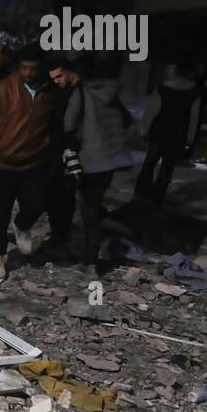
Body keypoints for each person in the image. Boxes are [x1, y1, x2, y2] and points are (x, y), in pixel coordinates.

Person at [0, 44, 56, 279]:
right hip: (1, 163)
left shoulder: (48, 91)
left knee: (37, 202)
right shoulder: (2, 89)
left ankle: (22, 225)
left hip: (34, 161)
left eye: (33, 68)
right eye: (25, 68)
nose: (28, 73)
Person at [64, 57, 134, 274]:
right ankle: (91, 261)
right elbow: (127, 121)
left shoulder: (82, 93)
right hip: (109, 162)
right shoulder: (113, 95)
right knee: (94, 209)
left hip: (88, 162)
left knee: (88, 212)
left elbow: (68, 124)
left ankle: (89, 262)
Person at [135, 63, 201, 204]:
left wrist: (143, 130)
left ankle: (141, 192)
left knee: (150, 162)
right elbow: (193, 119)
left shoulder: (163, 89)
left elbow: (151, 112)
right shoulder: (194, 93)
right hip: (178, 134)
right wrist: (190, 139)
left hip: (159, 130)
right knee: (167, 167)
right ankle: (158, 195)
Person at [42, 63, 80, 259]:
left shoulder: (78, 91)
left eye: (59, 76)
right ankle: (59, 235)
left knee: (66, 196)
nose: (56, 81)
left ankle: (61, 236)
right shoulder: (61, 91)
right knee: (56, 195)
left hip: (71, 150)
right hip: (57, 151)